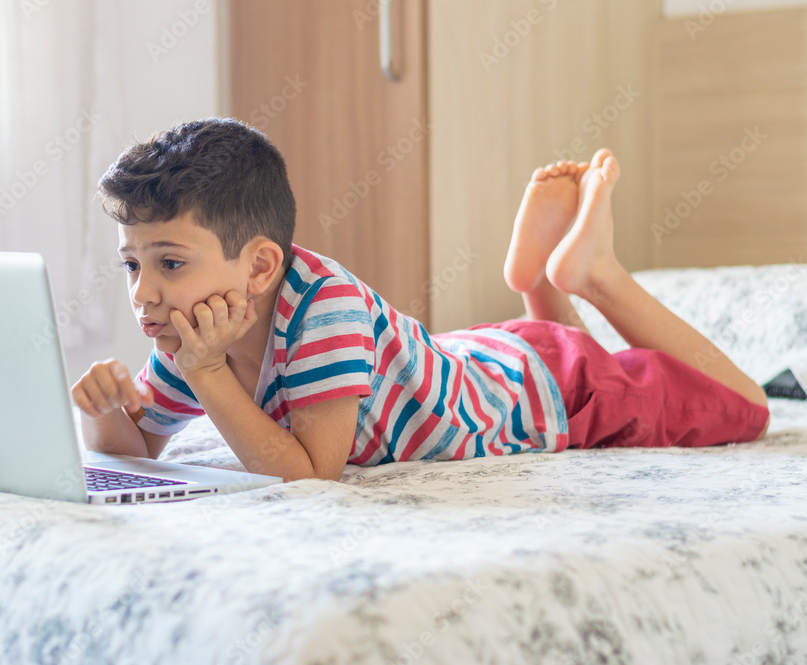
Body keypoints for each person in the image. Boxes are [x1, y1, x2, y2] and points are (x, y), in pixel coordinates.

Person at [72, 118, 770, 482]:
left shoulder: (324, 309)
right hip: (491, 360)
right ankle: (539, 284)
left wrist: (207, 374)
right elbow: (139, 452)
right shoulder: (195, 326)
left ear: (260, 267)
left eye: (168, 262)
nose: (145, 293)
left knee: (746, 407)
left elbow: (312, 475)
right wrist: (103, 415)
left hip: (550, 390)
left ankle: (594, 275)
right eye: (131, 263)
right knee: (561, 345)